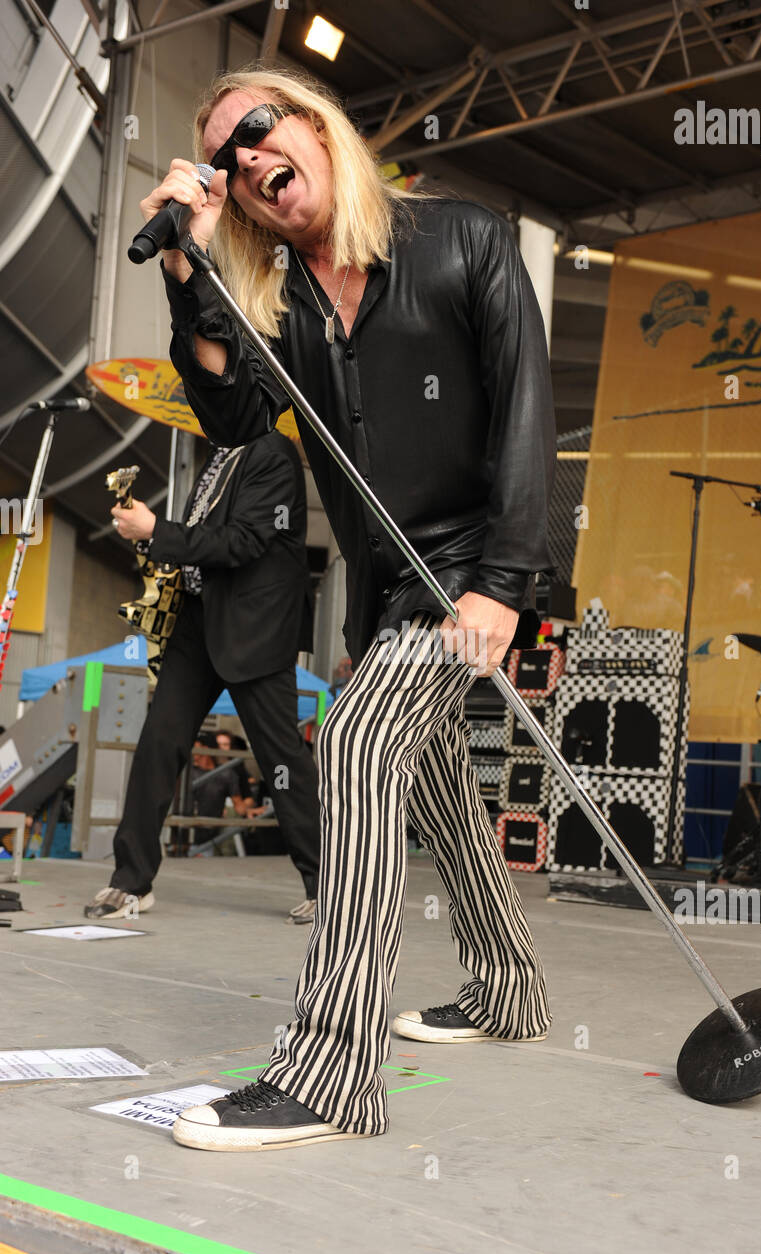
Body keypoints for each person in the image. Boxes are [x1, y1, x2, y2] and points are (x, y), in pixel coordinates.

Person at [141, 63, 555, 1153]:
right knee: (433, 781)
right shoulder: (280, 300)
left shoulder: (463, 238)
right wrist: (186, 257)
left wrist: (502, 583)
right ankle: (507, 986)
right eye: (228, 161)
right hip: (387, 587)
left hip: (468, 568)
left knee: (363, 741)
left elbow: (524, 408)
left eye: (260, 130)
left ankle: (328, 1068)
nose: (249, 161)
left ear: (318, 130)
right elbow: (230, 412)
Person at [84, 431, 320, 927]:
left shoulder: (273, 453)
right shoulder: (218, 454)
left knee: (282, 757)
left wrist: (156, 529)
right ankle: (131, 880)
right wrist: (156, 536)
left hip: (255, 629)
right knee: (158, 743)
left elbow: (246, 540)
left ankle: (328, 886)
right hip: (197, 622)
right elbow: (205, 539)